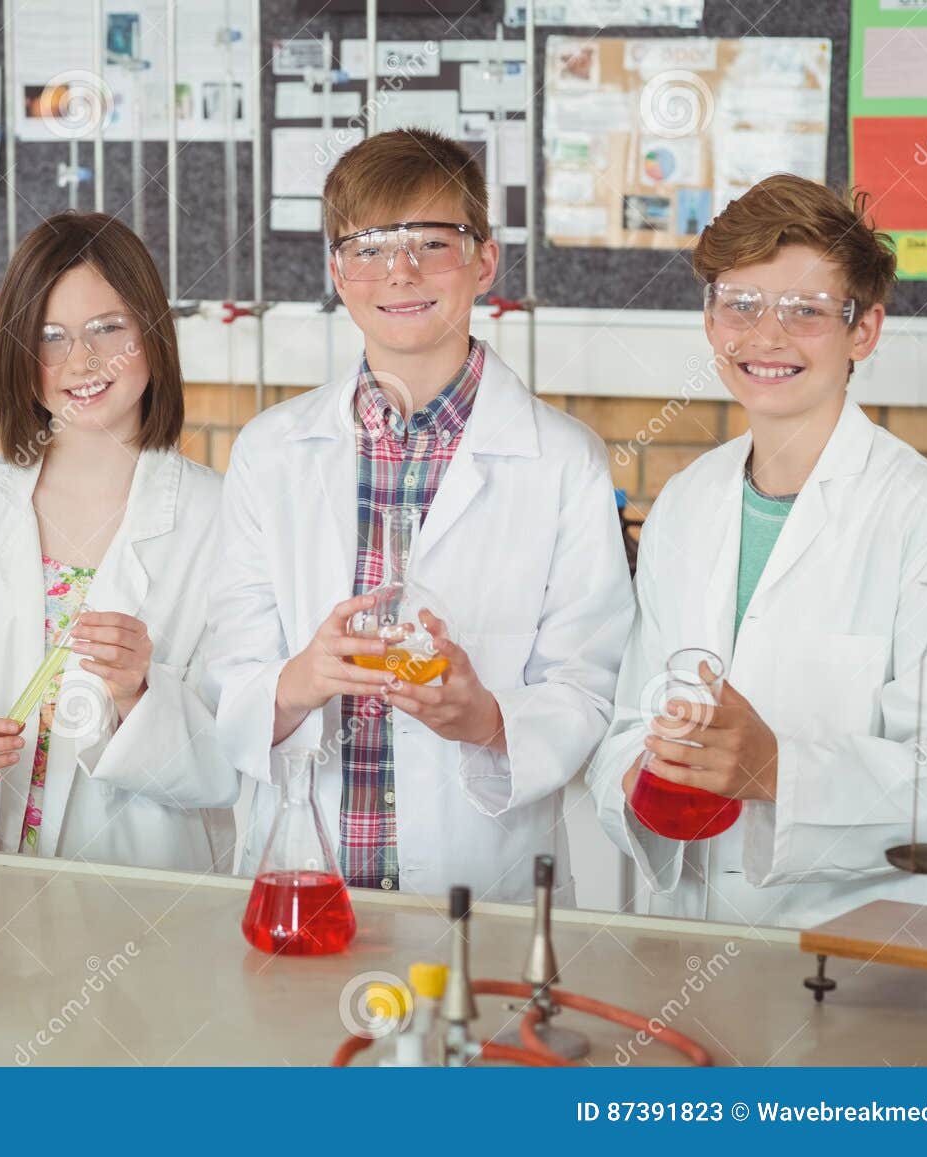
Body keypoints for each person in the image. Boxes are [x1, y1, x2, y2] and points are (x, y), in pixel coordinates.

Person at [207, 130, 634, 900]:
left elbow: (588, 684)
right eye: (369, 248)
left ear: (485, 261)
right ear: (337, 272)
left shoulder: (565, 460)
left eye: (433, 243)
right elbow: (230, 677)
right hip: (306, 876)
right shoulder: (270, 452)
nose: (400, 271)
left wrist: (485, 719)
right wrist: (303, 678)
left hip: (485, 884)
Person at [585, 174, 927, 929]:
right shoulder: (685, 502)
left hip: (851, 946)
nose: (766, 336)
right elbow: (629, 721)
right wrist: (642, 773)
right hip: (683, 928)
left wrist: (778, 771)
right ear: (710, 319)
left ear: (864, 331)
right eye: (740, 303)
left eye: (806, 310)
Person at [0, 212, 237, 871]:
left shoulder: (218, 517)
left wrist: (141, 695)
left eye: (108, 327)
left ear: (152, 332)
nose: (82, 361)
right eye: (50, 336)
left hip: (142, 890)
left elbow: (239, 752)